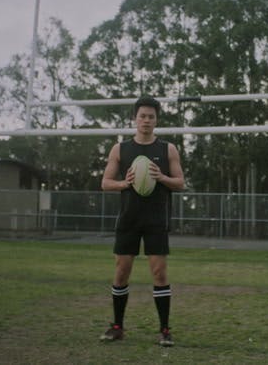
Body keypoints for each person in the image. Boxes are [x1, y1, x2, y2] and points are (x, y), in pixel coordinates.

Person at [100, 96, 185, 347]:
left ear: (156, 120)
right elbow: (105, 183)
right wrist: (125, 183)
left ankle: (165, 330)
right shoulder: (120, 149)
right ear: (135, 119)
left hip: (155, 220)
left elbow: (180, 183)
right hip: (129, 219)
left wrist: (162, 177)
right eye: (142, 116)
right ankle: (117, 327)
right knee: (121, 272)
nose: (146, 120)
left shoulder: (168, 149)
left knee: (159, 273)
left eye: (151, 116)